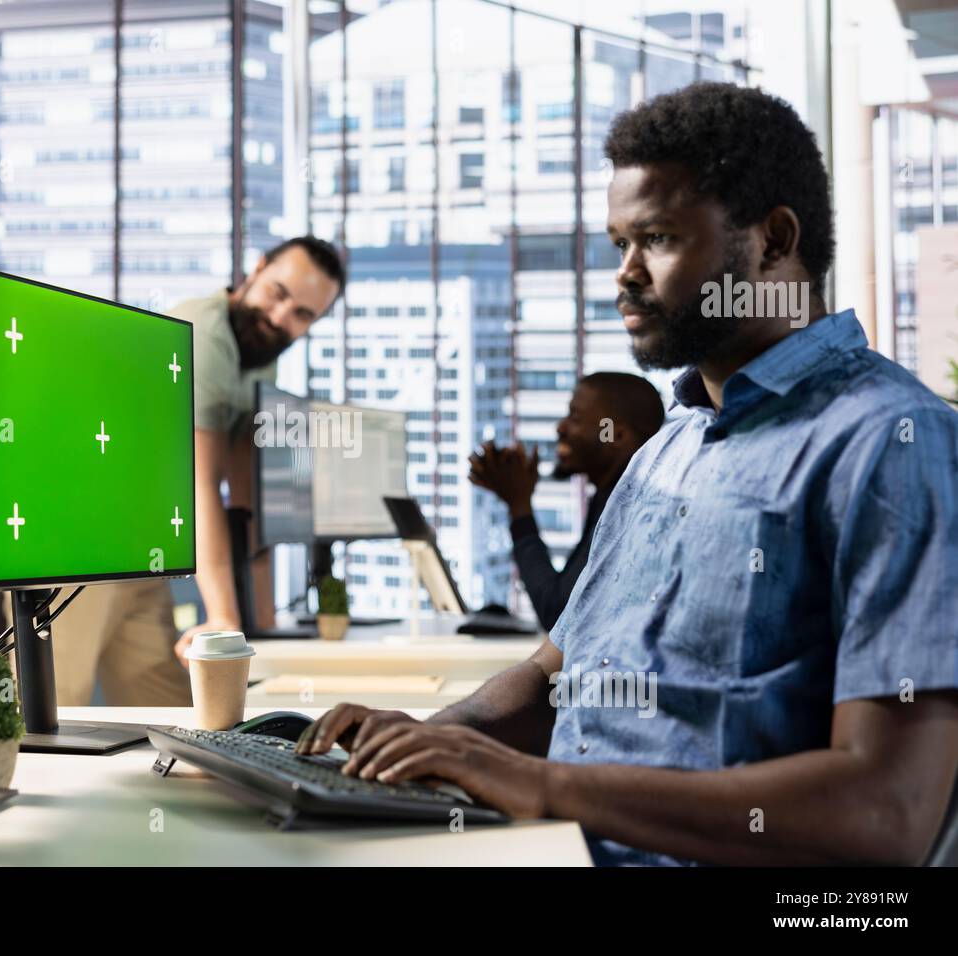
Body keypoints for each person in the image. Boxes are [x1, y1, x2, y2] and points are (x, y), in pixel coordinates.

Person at [295, 82, 958, 866]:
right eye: (620, 245)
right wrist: (423, 743)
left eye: (660, 239)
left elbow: (886, 814)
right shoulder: (664, 453)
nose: (626, 274)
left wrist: (540, 786)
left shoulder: (892, 442)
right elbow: (551, 678)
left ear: (774, 240)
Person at [49, 237, 344, 706]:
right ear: (256, 268)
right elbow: (199, 482)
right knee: (53, 711)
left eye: (303, 314)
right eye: (278, 293)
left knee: (165, 712)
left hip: (137, 551)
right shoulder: (205, 336)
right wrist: (225, 618)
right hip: (75, 538)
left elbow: (241, 490)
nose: (281, 317)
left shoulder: (257, 360)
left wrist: (255, 619)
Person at [469, 372, 663, 629]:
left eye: (575, 417)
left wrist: (519, 507)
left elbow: (557, 613)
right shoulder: (612, 495)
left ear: (614, 435)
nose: (560, 427)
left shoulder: (627, 507)